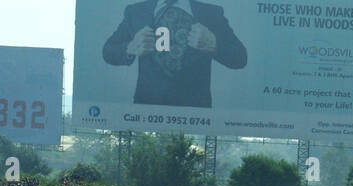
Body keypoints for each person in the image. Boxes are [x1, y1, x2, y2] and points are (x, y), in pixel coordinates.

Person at [102, 0, 248, 109]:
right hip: (147, 107)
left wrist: (214, 45)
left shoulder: (212, 13)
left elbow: (241, 57)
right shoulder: (135, 11)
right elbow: (108, 51)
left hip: (195, 111)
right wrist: (130, 47)